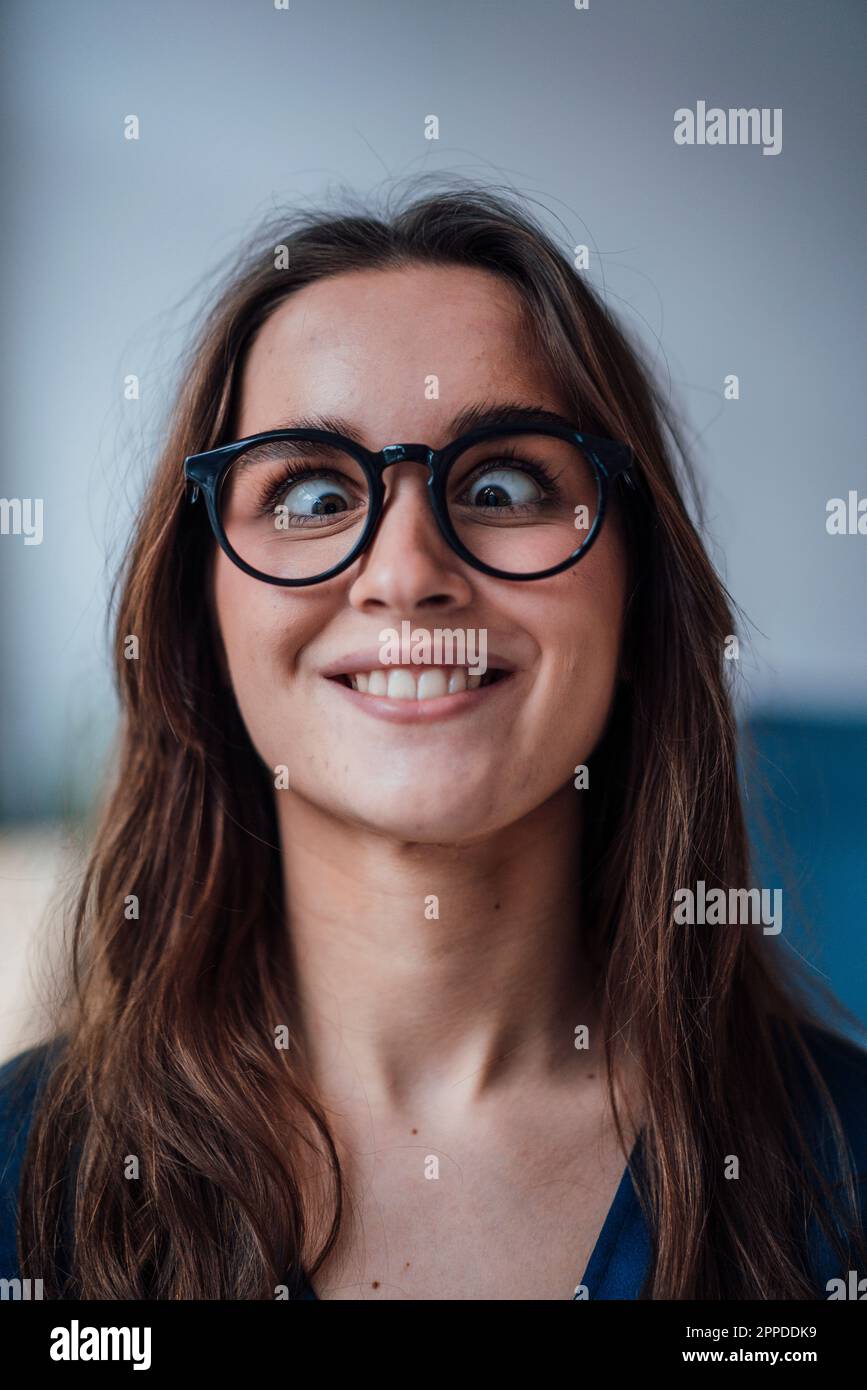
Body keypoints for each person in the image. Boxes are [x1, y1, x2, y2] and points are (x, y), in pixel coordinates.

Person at [1, 182, 865, 1300]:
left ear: (637, 591)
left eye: (503, 483)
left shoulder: (843, 1180)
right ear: (200, 619)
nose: (407, 572)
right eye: (311, 494)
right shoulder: (23, 1188)